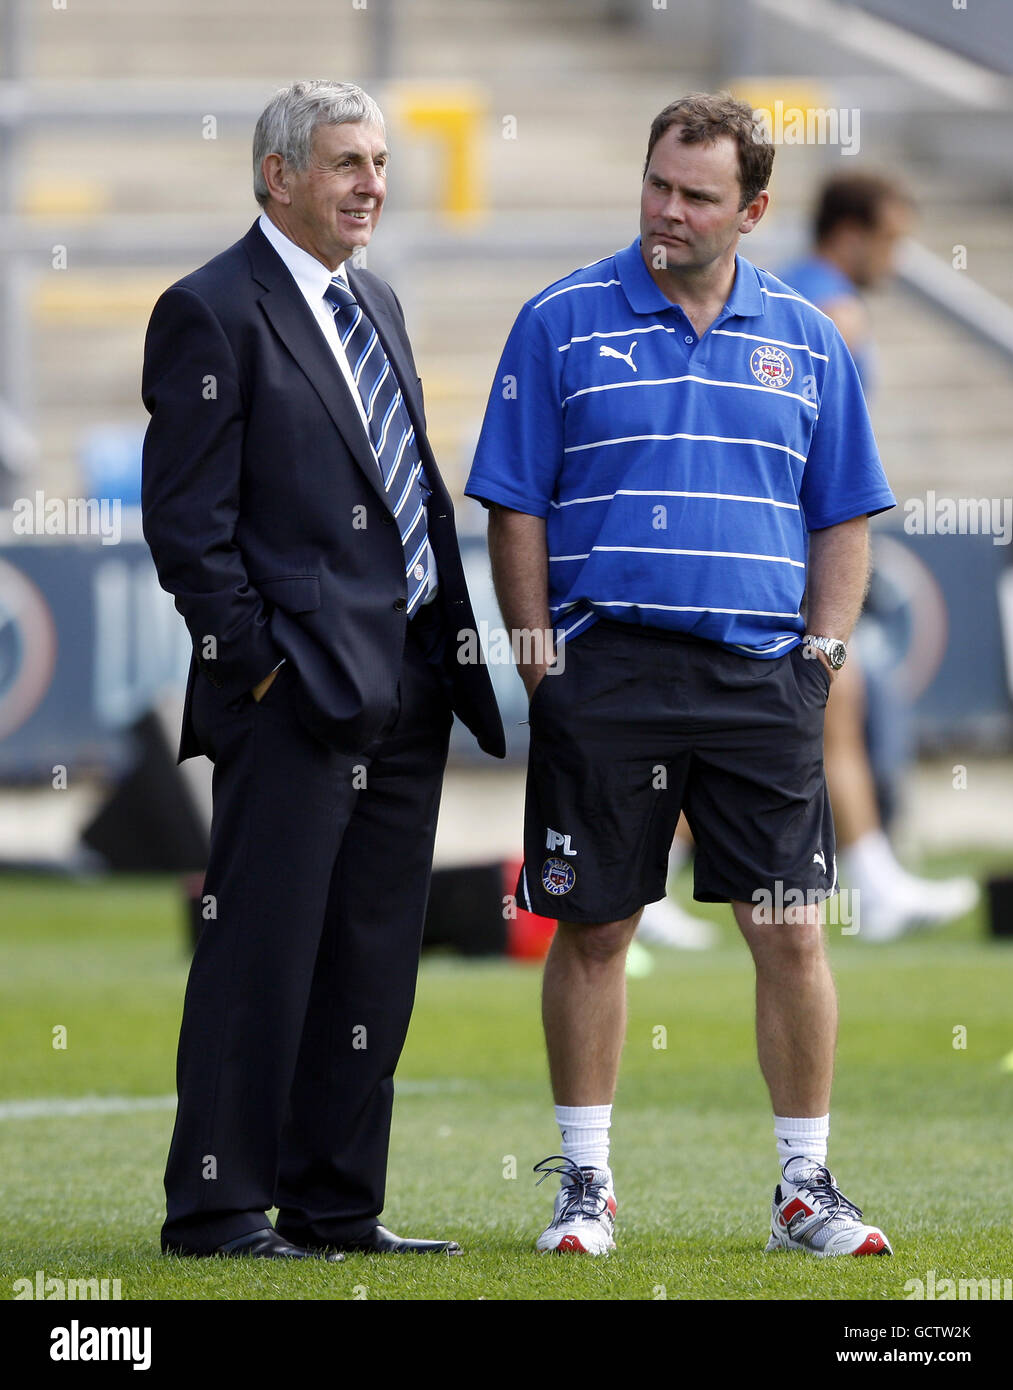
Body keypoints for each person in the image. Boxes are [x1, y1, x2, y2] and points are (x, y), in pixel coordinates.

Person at [466, 93, 897, 1257]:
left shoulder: (809, 336)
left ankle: (804, 1188)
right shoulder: (559, 319)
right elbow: (514, 500)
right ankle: (585, 1187)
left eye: (697, 194)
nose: (667, 209)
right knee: (596, 928)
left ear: (752, 210)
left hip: (762, 680)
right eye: (656, 182)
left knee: (792, 931)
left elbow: (844, 511)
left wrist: (820, 656)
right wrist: (538, 656)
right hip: (606, 671)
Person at [141, 79, 504, 1261]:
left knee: (370, 957)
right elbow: (188, 532)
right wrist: (261, 673)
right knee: (260, 958)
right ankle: (216, 1208)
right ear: (277, 175)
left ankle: (336, 1205)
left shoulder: (375, 299)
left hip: (403, 684)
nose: (373, 186)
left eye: (382, 164)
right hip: (293, 696)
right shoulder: (208, 310)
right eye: (347, 163)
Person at [779, 174, 978, 941]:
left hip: (780, 549)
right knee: (814, 711)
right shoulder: (837, 310)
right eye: (890, 240)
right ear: (852, 233)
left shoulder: (784, 289)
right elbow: (824, 456)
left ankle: (874, 877)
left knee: (819, 714)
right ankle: (874, 882)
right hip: (799, 554)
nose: (895, 259)